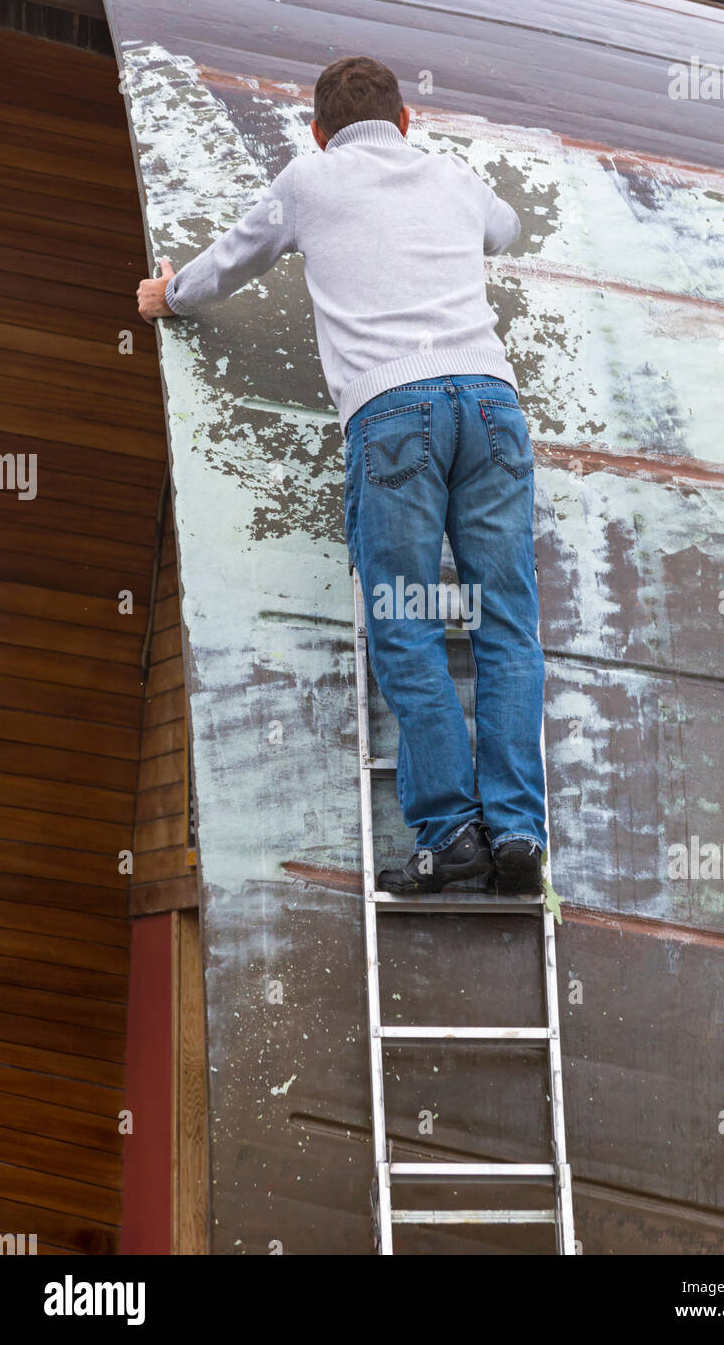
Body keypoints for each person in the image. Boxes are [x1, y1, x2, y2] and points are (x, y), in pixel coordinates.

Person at [137, 55, 546, 896]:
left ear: (320, 133)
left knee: (406, 622)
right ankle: (515, 833)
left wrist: (168, 295)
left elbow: (232, 260)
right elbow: (505, 229)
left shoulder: (309, 180)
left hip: (394, 413)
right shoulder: (451, 175)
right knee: (506, 624)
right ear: (404, 122)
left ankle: (450, 834)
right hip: (493, 406)